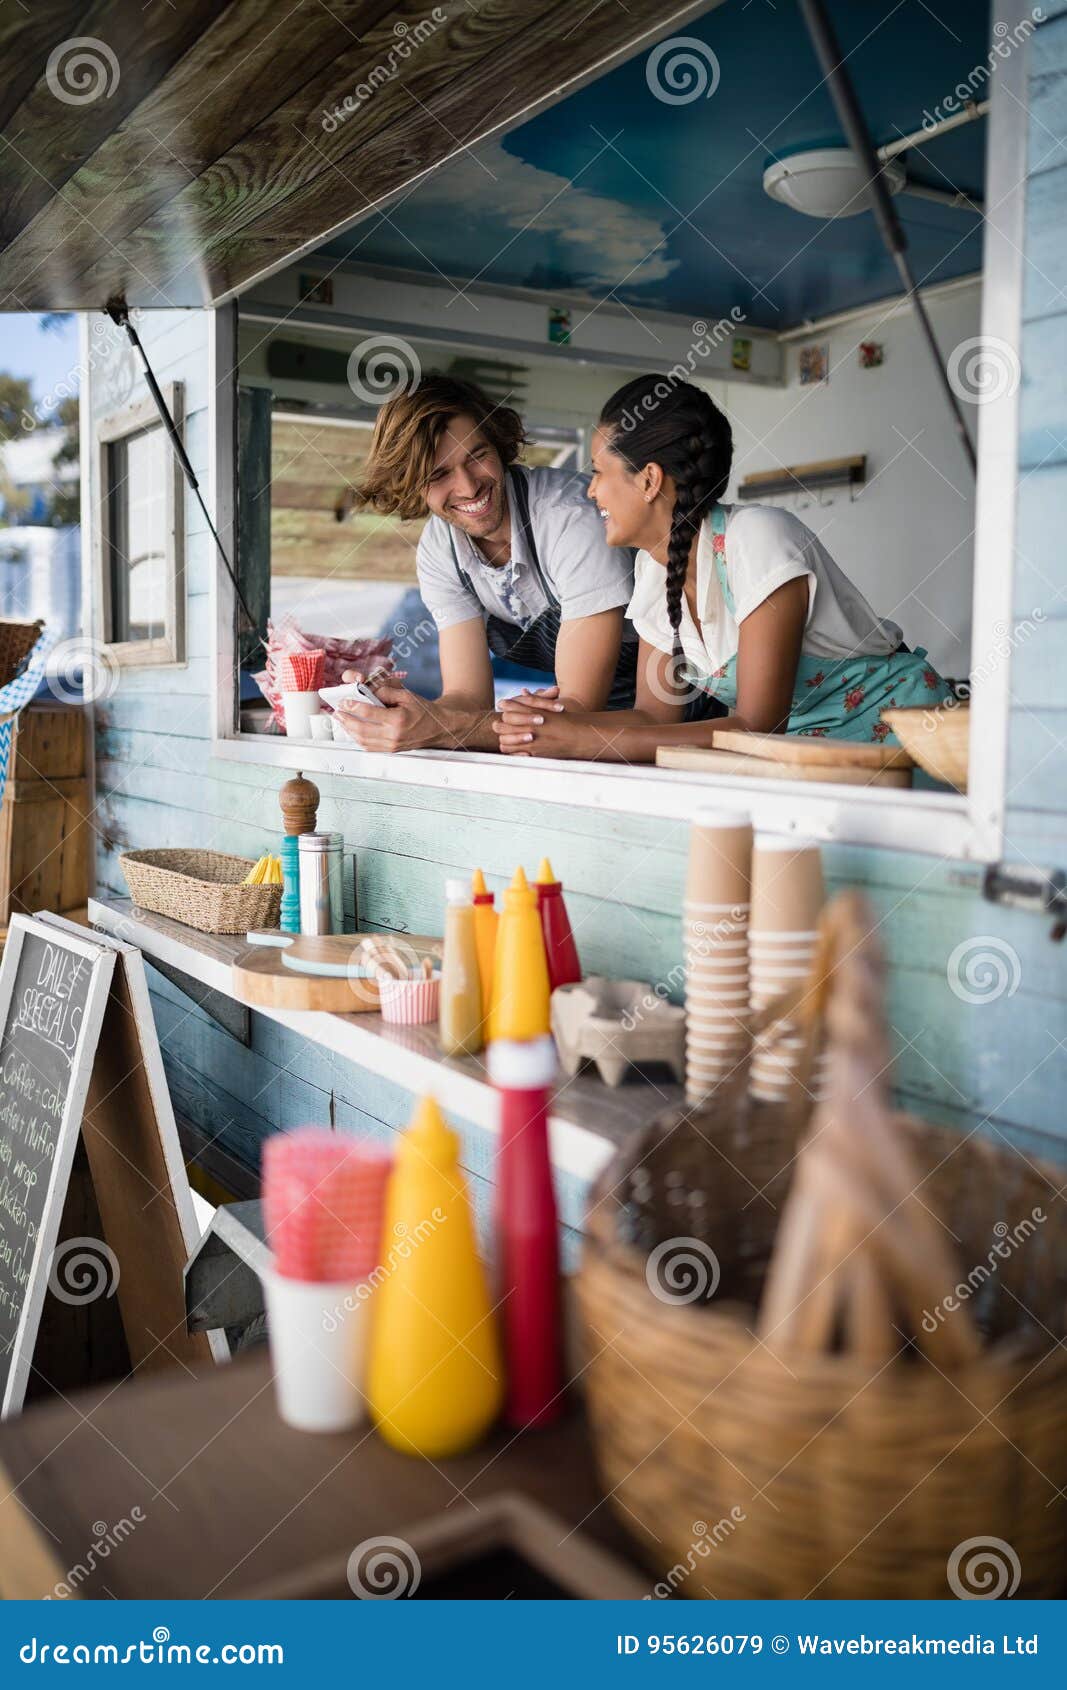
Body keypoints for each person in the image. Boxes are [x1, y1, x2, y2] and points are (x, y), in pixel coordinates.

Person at [494, 374, 953, 760]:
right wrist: (553, 725)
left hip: (906, 740)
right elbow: (654, 717)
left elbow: (757, 726)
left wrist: (586, 740)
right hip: (812, 756)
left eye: (598, 472)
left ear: (650, 480)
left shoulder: (757, 538)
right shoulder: (654, 572)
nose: (591, 492)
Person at [335, 376, 637, 753]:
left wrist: (441, 727)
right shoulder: (440, 549)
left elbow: (573, 713)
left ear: (498, 443)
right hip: (578, 737)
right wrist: (409, 712)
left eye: (476, 456)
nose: (467, 487)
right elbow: (467, 699)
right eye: (438, 474)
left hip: (662, 721)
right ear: (411, 483)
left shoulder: (570, 519)